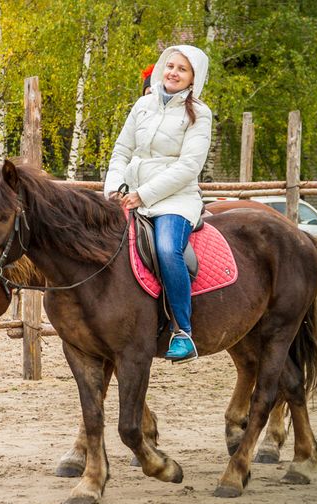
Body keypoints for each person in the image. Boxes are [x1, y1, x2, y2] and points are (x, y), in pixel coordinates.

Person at [104, 45, 212, 363]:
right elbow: (122, 151)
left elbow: (189, 166)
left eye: (182, 69)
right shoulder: (143, 105)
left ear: (193, 78)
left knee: (166, 249)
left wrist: (145, 194)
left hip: (174, 200)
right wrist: (113, 189)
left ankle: (183, 332)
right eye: (170, 66)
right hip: (130, 194)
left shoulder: (199, 113)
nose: (173, 73)